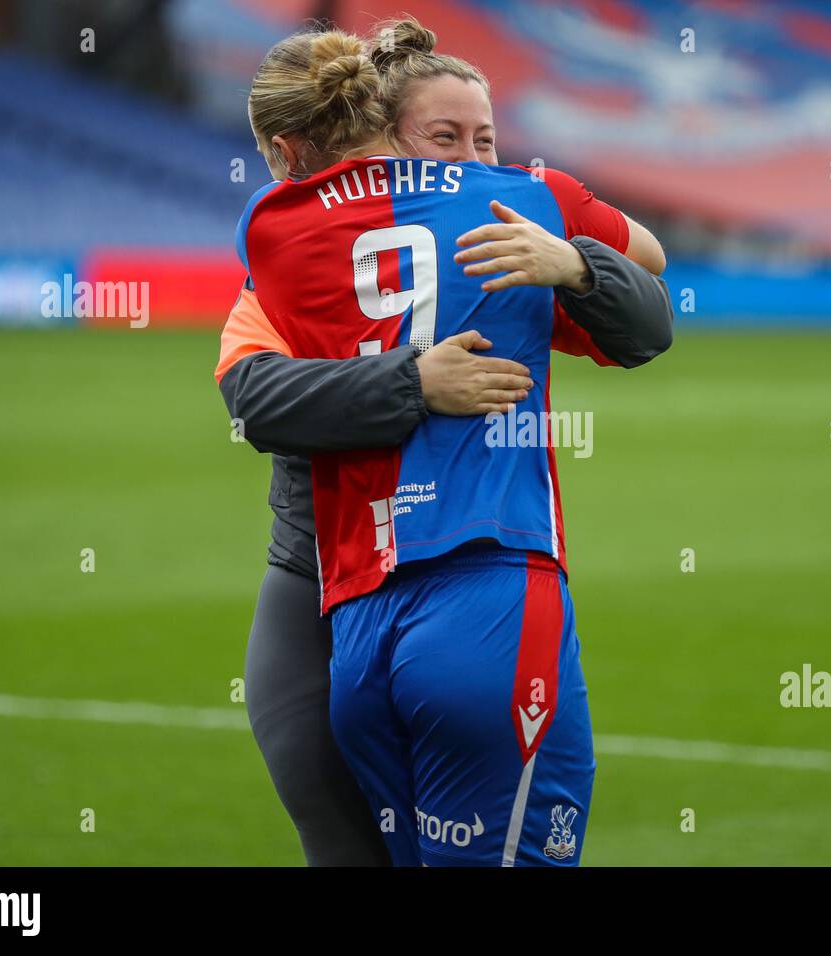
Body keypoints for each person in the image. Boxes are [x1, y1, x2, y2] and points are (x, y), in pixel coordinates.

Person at [217, 20, 671, 865]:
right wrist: (414, 383)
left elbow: (644, 307)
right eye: (444, 139)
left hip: (398, 597)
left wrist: (571, 261)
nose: (467, 160)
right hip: (338, 583)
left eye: (485, 139)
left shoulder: (502, 230)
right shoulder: (326, 239)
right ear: (386, 136)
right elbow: (255, 398)